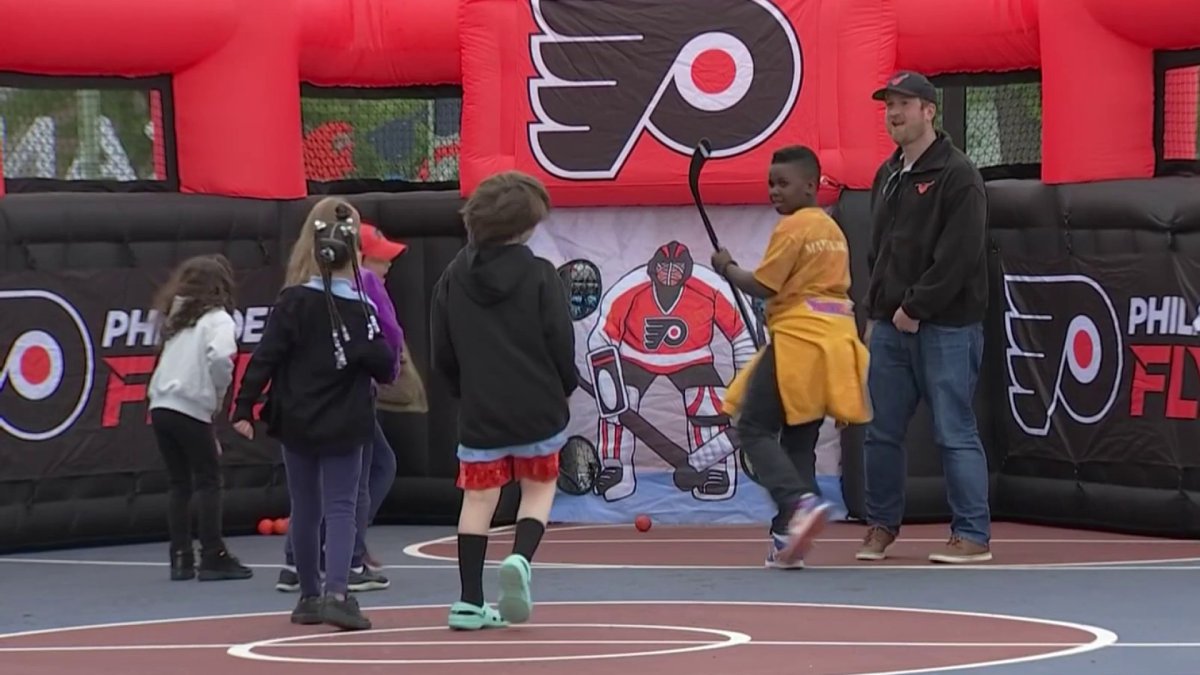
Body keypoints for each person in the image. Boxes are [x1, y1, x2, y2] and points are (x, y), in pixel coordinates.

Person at [233, 197, 397, 630]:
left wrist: (244, 404)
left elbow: (265, 356)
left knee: (305, 506)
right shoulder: (360, 310)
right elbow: (384, 364)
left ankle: (308, 595)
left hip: (296, 418)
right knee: (341, 506)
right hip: (344, 421)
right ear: (354, 256)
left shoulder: (291, 301)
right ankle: (338, 594)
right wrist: (372, 347)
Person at [430, 170, 577, 630]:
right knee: (538, 488)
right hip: (538, 406)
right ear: (526, 225)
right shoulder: (540, 275)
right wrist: (565, 383)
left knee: (477, 499)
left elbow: (441, 349)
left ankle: (469, 601)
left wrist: (462, 389)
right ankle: (520, 559)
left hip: (480, 409)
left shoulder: (452, 276)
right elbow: (560, 339)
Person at [712, 146, 871, 569]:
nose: (774, 192)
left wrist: (726, 267)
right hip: (835, 341)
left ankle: (796, 502)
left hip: (800, 339)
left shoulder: (792, 227)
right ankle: (787, 537)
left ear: (810, 186)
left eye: (783, 184)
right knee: (800, 436)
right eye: (770, 184)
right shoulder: (832, 229)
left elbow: (764, 284)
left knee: (754, 427)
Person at [858, 70, 991, 564]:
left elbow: (959, 256)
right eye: (889, 104)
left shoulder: (959, 175)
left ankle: (972, 536)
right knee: (881, 432)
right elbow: (880, 253)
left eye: (905, 104)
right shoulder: (886, 174)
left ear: (929, 111)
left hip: (947, 328)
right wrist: (877, 313)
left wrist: (915, 308)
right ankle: (880, 528)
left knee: (954, 430)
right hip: (891, 328)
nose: (895, 113)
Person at [272, 220, 403, 594]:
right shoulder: (362, 288)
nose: (387, 265)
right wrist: (390, 370)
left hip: (309, 402)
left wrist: (249, 404)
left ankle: (301, 561)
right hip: (348, 399)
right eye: (381, 258)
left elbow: (273, 352)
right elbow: (387, 335)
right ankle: (345, 559)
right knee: (358, 482)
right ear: (356, 256)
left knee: (312, 488)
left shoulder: (299, 291)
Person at [147, 254, 253, 582]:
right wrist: (218, 397)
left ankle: (180, 556)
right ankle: (212, 554)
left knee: (179, 482)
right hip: (189, 405)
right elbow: (222, 358)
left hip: (161, 404)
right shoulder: (218, 319)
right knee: (208, 480)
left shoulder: (175, 318)